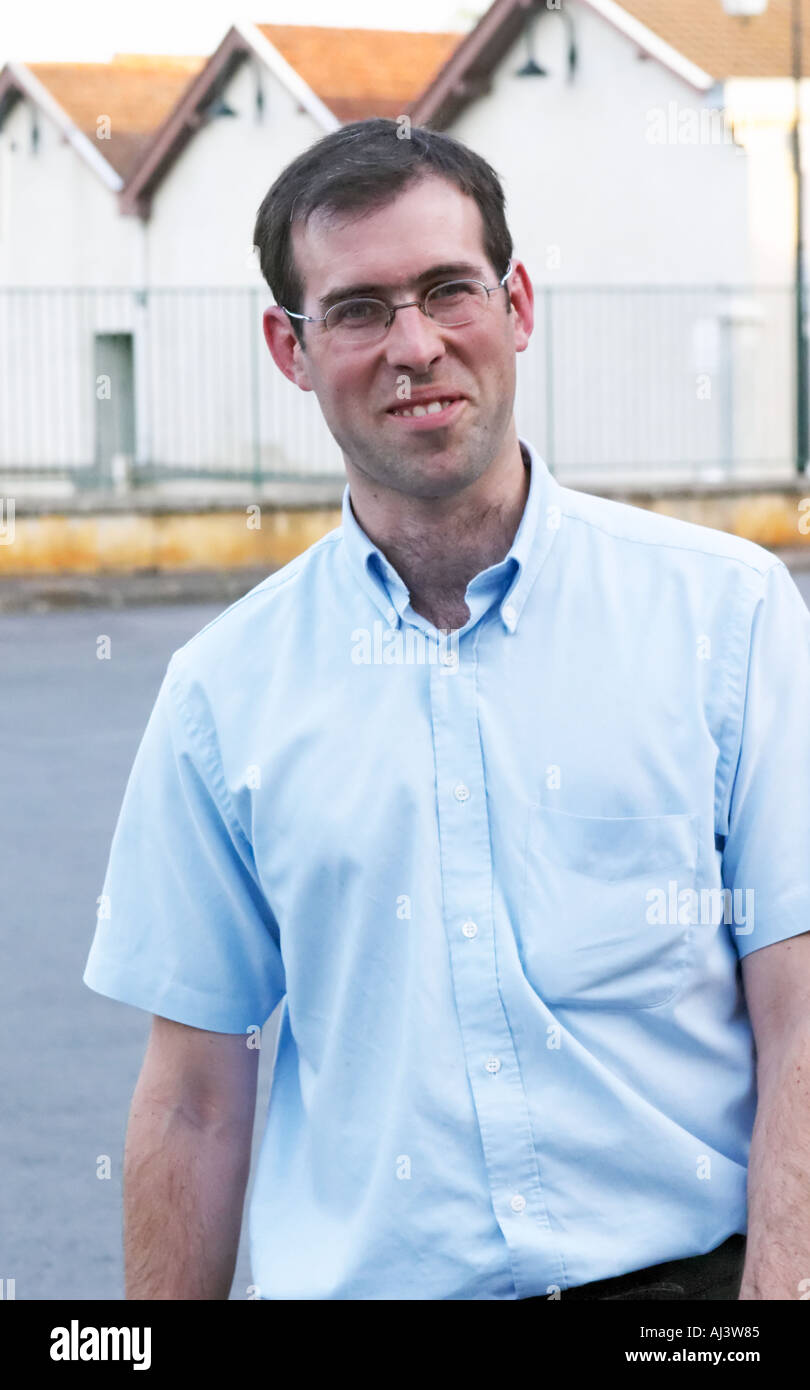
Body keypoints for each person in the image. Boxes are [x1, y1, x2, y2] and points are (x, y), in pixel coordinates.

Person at [83, 118, 810, 1302]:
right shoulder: (224, 692)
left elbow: (801, 1015)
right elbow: (198, 1097)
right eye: (360, 309)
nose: (414, 344)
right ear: (292, 346)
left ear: (516, 302)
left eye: (446, 290)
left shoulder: (725, 618)